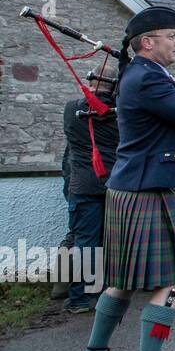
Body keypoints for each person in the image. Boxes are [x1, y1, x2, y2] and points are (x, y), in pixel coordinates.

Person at [72, 6, 175, 351]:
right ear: (148, 42)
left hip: (132, 189)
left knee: (121, 282)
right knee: (172, 282)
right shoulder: (148, 78)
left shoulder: (141, 75)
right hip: (146, 192)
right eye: (172, 37)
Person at [60, 60, 120, 312]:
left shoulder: (72, 108)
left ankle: (78, 298)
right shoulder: (120, 112)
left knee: (84, 242)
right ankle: (103, 294)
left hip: (83, 185)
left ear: (91, 80)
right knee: (109, 242)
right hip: (113, 185)